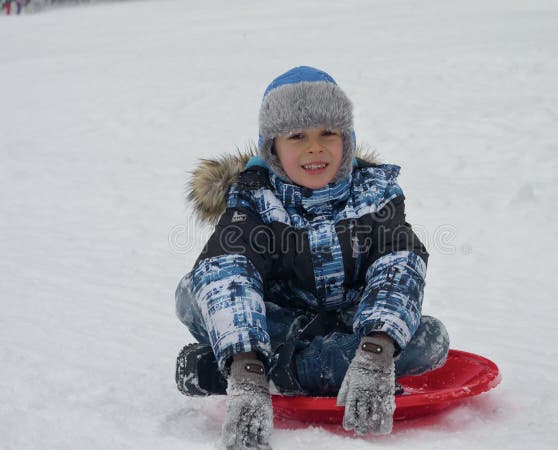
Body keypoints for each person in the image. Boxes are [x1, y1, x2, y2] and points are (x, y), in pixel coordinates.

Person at [175, 66, 450, 448]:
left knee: (429, 339)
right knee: (194, 292)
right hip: (276, 323)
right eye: (297, 136)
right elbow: (227, 270)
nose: (314, 148)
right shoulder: (256, 199)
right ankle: (260, 364)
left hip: (349, 326)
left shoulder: (374, 194)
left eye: (327, 134)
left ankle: (267, 371)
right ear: (272, 148)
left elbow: (398, 263)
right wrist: (246, 369)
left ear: (347, 140)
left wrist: (376, 350)